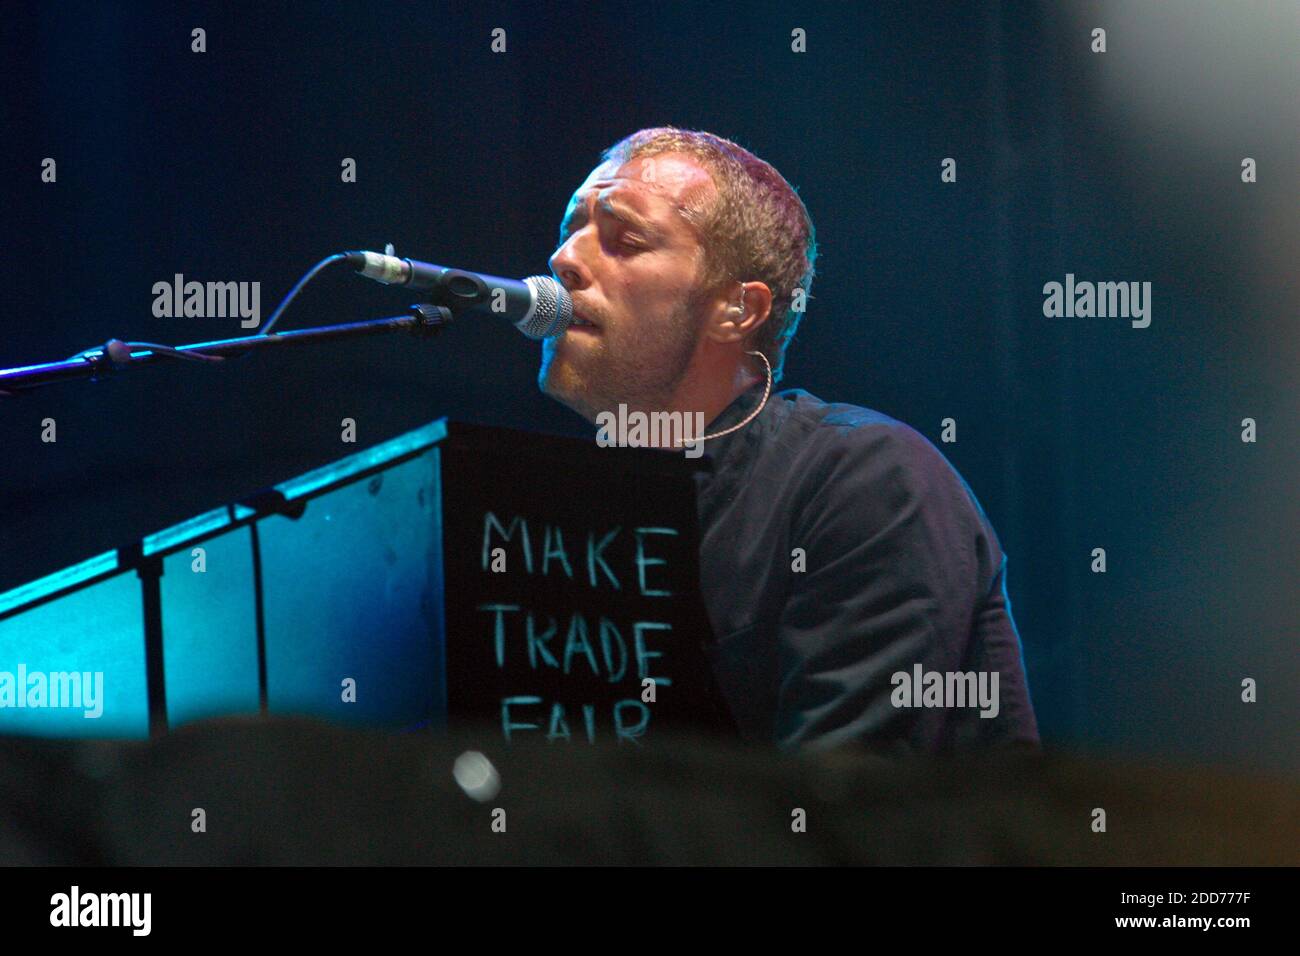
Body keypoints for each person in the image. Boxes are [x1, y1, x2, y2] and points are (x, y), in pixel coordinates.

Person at [539, 126, 1039, 755]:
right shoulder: (575, 520)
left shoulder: (864, 477)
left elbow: (842, 804)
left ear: (736, 310)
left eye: (626, 239)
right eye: (570, 229)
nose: (564, 260)